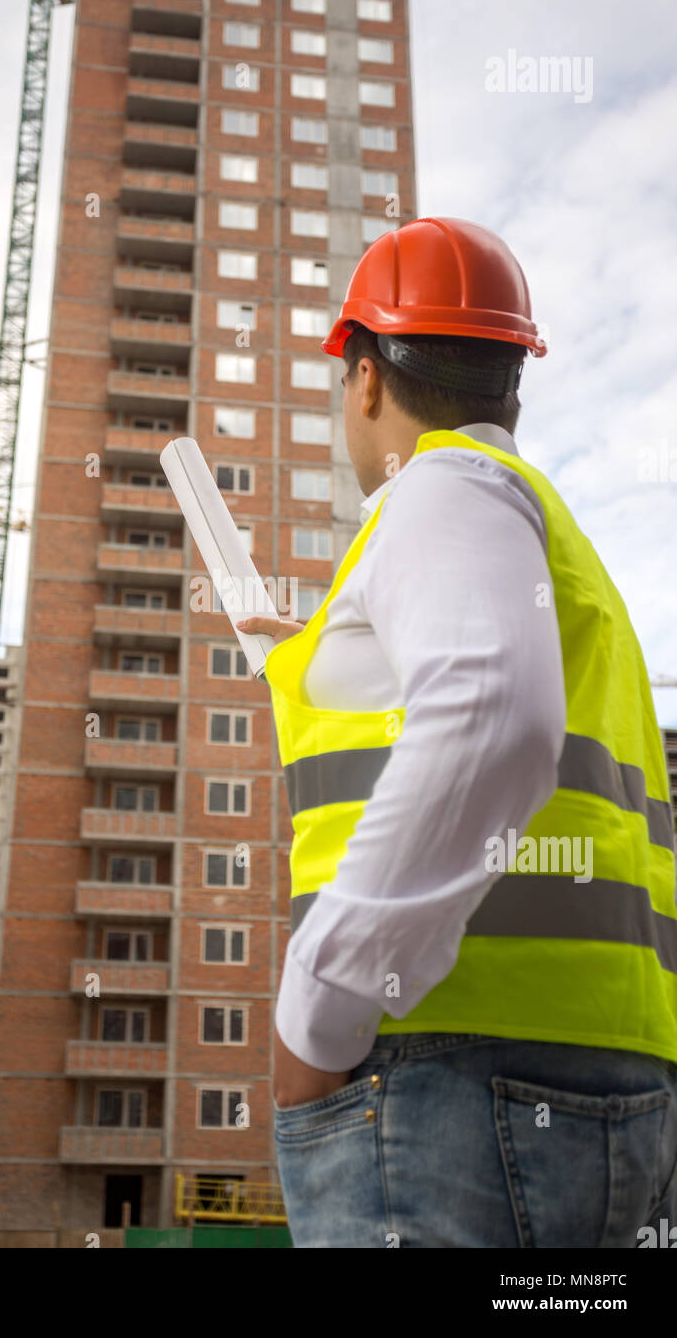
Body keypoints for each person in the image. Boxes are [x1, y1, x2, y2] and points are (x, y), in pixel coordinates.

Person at [238, 216, 677, 1249]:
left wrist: (319, 1009)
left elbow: (490, 714)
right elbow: (495, 703)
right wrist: (327, 655)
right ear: (509, 379)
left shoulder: (436, 486)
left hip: (444, 1089)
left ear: (365, 380)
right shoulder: (547, 536)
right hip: (601, 1080)